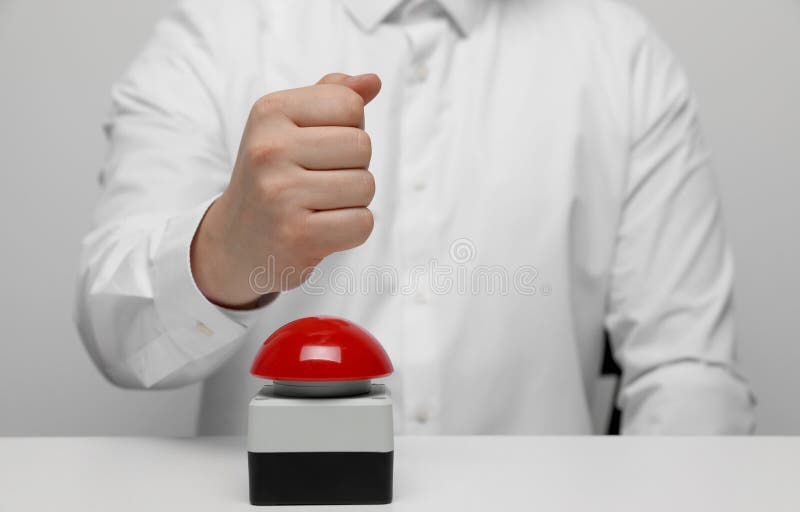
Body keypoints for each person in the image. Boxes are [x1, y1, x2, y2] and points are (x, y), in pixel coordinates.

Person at [75, 0, 756, 435]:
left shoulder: (623, 55)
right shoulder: (213, 36)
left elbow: (689, 375)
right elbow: (119, 340)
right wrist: (227, 249)